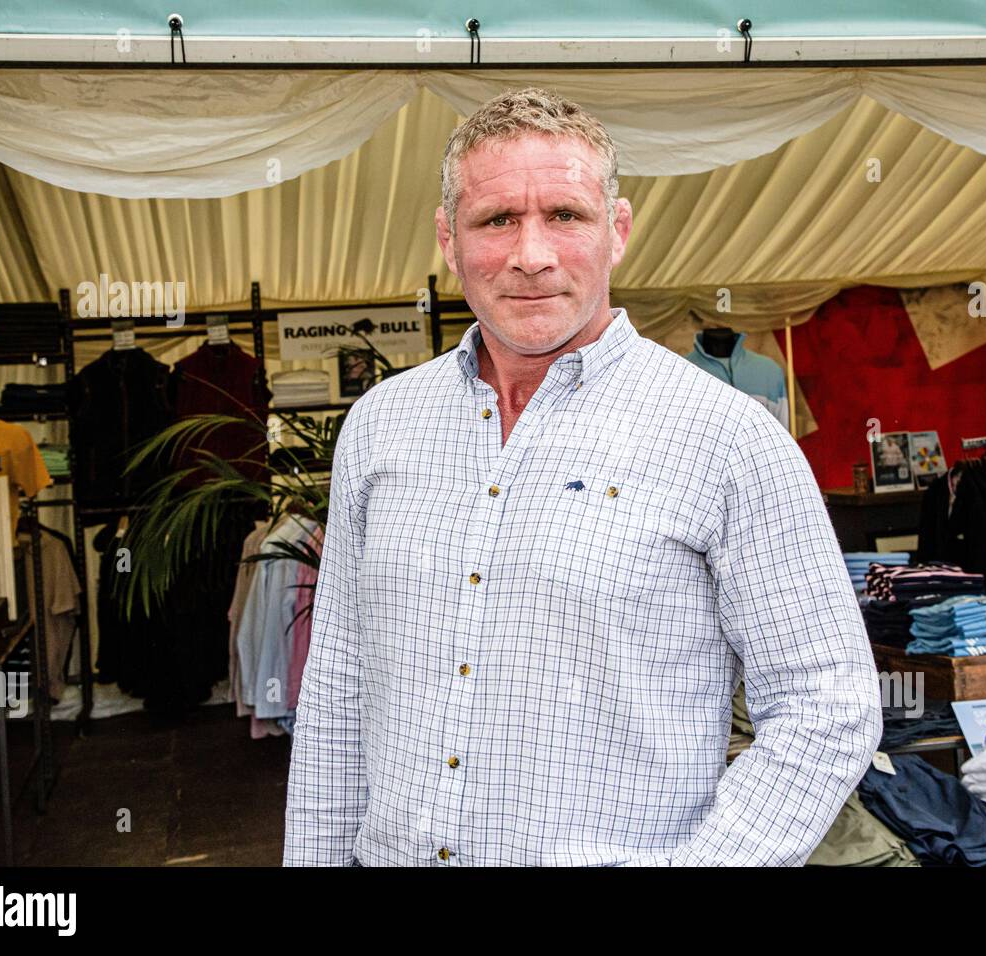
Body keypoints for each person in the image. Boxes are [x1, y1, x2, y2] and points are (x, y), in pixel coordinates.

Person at [284, 87, 881, 867]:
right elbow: (337, 688)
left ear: (618, 230)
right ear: (448, 239)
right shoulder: (379, 427)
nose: (532, 255)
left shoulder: (727, 439)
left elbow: (825, 705)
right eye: (497, 220)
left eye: (564, 215)